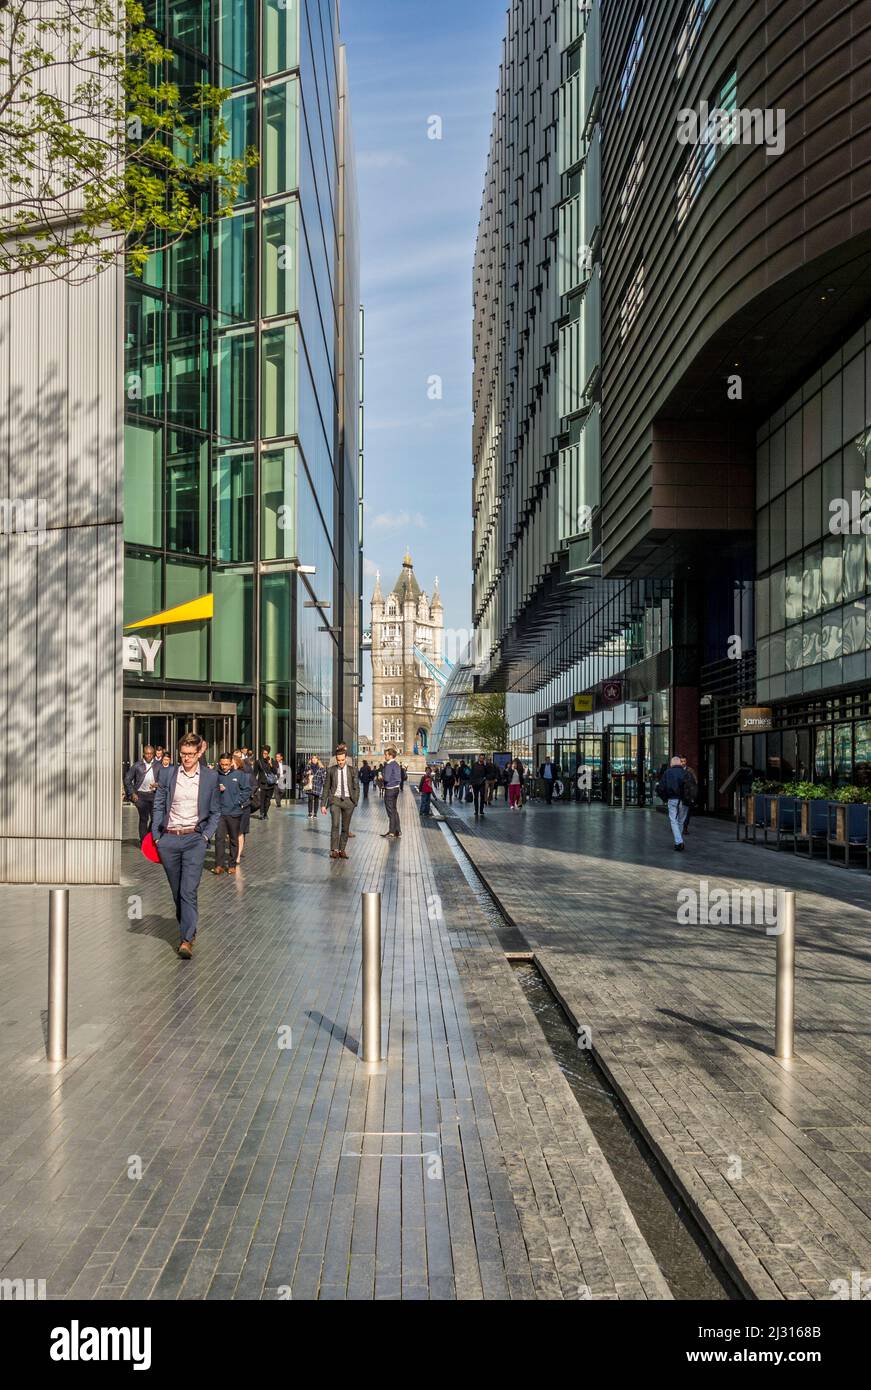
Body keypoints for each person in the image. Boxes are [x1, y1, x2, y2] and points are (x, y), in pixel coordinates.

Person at [152, 734, 221, 959]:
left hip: (194, 839)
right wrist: (156, 836)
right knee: (176, 892)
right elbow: (159, 804)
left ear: (199, 752)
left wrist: (205, 836)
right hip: (169, 839)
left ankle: (186, 939)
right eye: (183, 754)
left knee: (188, 890)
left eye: (191, 754)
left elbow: (215, 811)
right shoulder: (168, 773)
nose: (187, 758)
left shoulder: (210, 777)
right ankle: (188, 927)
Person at [212, 753, 250, 875]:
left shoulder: (239, 775)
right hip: (220, 813)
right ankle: (219, 865)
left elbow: (247, 790)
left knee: (233, 839)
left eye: (227, 764)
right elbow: (210, 790)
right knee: (219, 838)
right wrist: (217, 789)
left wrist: (238, 801)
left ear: (231, 763)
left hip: (234, 812)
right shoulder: (215, 775)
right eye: (222, 764)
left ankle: (232, 864)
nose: (224, 767)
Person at [322, 744, 359, 859]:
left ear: (346, 759)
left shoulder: (353, 770)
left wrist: (355, 802)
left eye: (342, 760)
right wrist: (323, 804)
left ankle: (342, 849)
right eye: (338, 760)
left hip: (349, 802)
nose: (340, 762)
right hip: (335, 800)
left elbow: (356, 787)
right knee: (335, 824)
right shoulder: (331, 770)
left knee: (345, 828)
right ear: (336, 759)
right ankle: (334, 850)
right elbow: (326, 787)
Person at [125, 745, 159, 845]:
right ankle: (144, 841)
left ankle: (148, 837)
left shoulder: (158, 765)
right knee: (144, 818)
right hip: (140, 796)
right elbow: (127, 779)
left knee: (155, 819)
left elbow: (163, 779)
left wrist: (158, 784)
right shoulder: (137, 765)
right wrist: (132, 793)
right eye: (147, 753)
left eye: (151, 754)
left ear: (153, 754)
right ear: (143, 753)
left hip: (154, 795)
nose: (149, 756)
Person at [657, 756, 689, 852]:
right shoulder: (686, 772)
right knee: (680, 821)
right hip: (685, 801)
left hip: (673, 799)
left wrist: (665, 798)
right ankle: (678, 841)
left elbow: (661, 788)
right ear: (680, 763)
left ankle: (679, 842)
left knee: (673, 821)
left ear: (671, 764)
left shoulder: (668, 773)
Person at [232, 752, 252, 864]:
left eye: (232, 763)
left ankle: (238, 856)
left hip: (243, 807)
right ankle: (233, 853)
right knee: (230, 833)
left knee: (240, 832)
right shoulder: (226, 775)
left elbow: (252, 786)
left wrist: (241, 800)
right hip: (230, 808)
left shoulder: (245, 775)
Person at [381, 746, 403, 838]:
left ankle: (391, 832)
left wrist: (380, 777)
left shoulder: (389, 765)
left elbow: (386, 778)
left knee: (390, 812)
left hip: (389, 790)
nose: (385, 757)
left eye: (386, 755)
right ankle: (397, 830)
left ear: (390, 756)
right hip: (396, 789)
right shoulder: (397, 764)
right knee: (394, 810)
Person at [255, 746, 278, 820]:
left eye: (266, 753)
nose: (264, 754)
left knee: (268, 800)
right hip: (262, 784)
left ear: (268, 753)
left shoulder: (272, 761)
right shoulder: (258, 761)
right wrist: (255, 785)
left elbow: (275, 772)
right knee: (262, 799)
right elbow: (254, 773)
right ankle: (261, 814)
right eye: (263, 753)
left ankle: (265, 813)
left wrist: (271, 764)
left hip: (271, 784)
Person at [680, 757, 699, 835]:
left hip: (687, 795)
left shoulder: (690, 770)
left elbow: (695, 782)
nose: (683, 763)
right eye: (681, 761)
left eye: (684, 761)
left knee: (687, 812)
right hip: (679, 795)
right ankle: (678, 826)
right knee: (678, 812)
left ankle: (685, 827)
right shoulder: (677, 770)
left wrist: (693, 796)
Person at [304, 755, 326, 820]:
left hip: (317, 785)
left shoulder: (321, 768)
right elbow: (303, 773)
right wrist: (307, 772)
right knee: (310, 799)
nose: (314, 759)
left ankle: (315, 813)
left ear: (318, 760)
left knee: (316, 799)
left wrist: (324, 785)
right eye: (313, 758)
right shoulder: (308, 766)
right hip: (310, 784)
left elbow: (324, 777)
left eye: (315, 758)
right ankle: (310, 813)